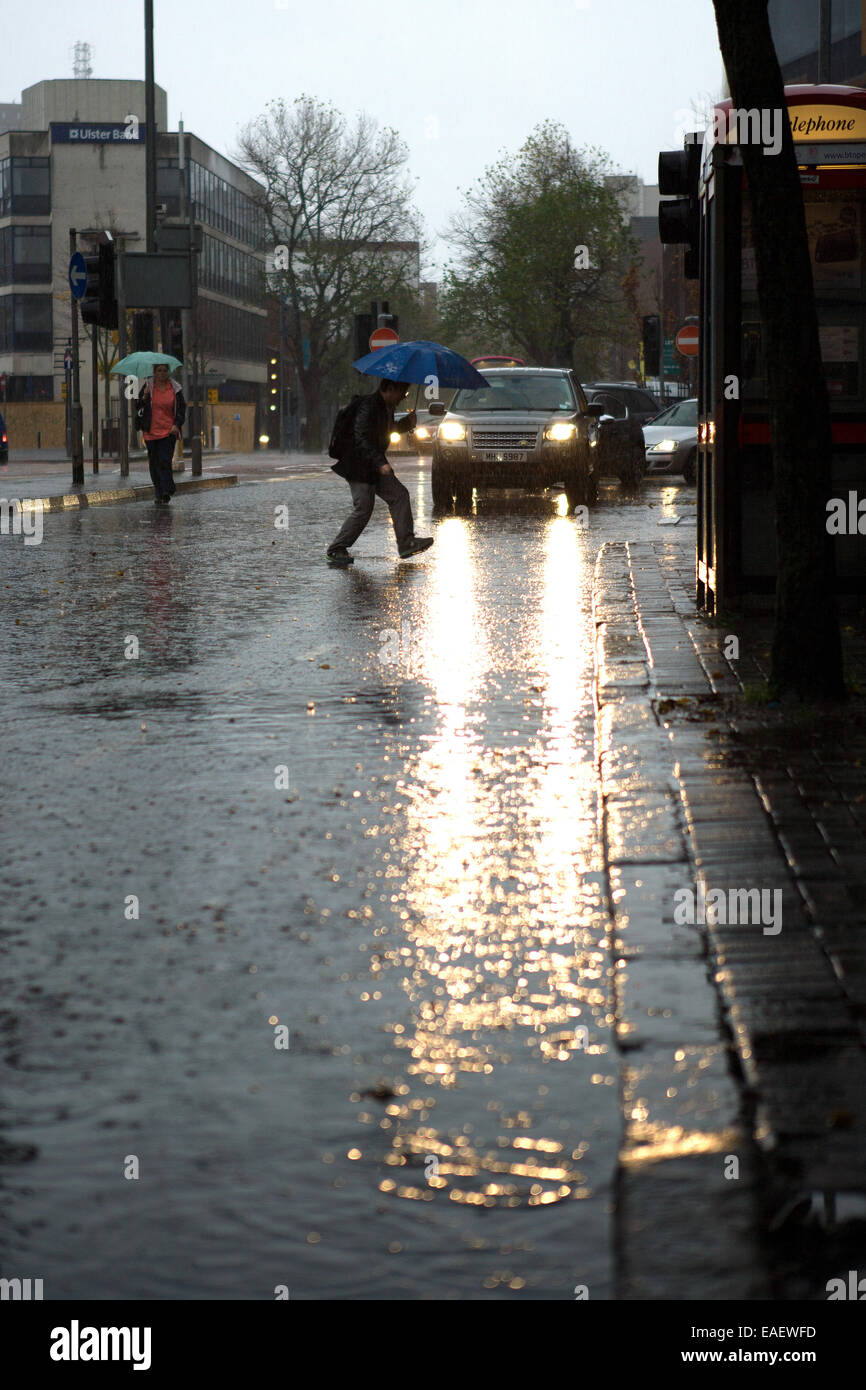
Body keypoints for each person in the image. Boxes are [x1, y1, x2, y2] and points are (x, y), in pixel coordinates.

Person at [327, 379, 434, 565]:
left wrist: (406, 424)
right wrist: (380, 463)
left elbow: (384, 431)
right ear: (390, 389)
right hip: (359, 465)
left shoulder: (386, 407)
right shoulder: (369, 406)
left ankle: (407, 543)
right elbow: (362, 437)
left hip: (373, 464)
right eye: (402, 393)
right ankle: (336, 549)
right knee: (364, 508)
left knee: (399, 495)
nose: (403, 398)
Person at [137, 363, 186, 505]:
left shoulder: (175, 388)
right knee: (154, 463)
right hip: (150, 432)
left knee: (165, 460)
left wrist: (176, 424)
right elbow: (138, 406)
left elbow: (182, 408)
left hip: (168, 431)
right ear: (154, 372)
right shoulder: (148, 387)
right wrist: (145, 397)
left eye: (165, 370)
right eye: (159, 370)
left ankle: (166, 490)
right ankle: (159, 492)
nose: (162, 373)